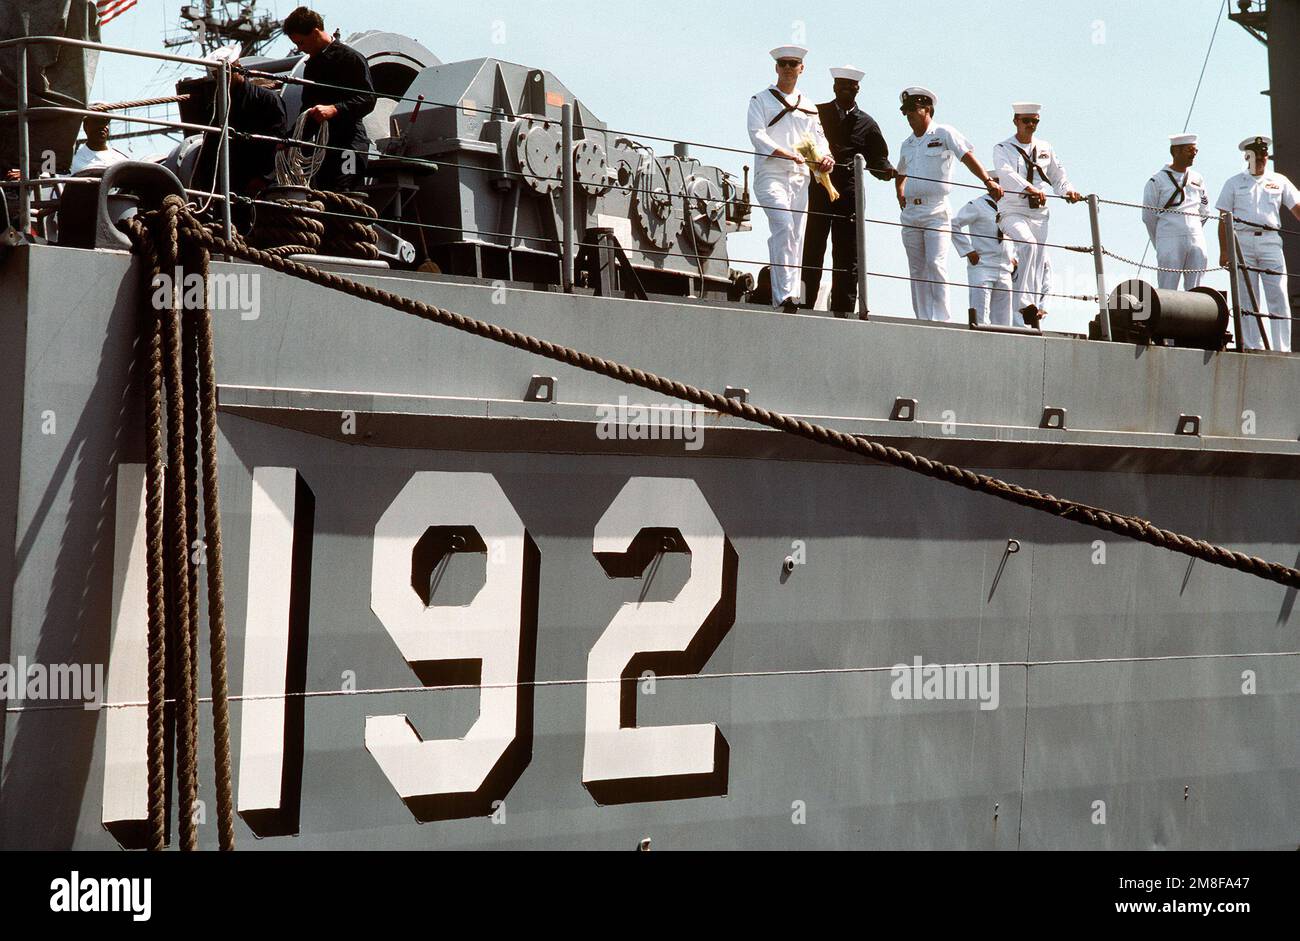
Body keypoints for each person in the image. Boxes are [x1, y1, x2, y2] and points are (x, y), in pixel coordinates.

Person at [894, 86, 1002, 321]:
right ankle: (923, 318)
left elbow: (967, 157)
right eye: (906, 111)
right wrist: (899, 191)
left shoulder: (943, 133)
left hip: (935, 209)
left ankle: (941, 319)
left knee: (935, 263)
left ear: (927, 109)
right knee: (916, 269)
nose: (909, 115)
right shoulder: (908, 143)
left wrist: (987, 180)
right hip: (911, 211)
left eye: (913, 110)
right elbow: (900, 171)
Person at [799, 65, 894, 316]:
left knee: (847, 252)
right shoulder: (818, 113)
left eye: (850, 87)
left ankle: (844, 309)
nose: (845, 91)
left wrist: (888, 172)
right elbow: (801, 142)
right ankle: (805, 303)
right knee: (812, 247)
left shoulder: (867, 124)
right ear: (834, 88)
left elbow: (878, 159)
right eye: (841, 86)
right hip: (819, 188)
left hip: (849, 194)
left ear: (857, 90)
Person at [747, 44, 835, 312]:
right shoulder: (760, 100)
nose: (787, 68)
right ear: (776, 68)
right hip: (771, 173)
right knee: (783, 227)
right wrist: (785, 153)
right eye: (783, 64)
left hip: (799, 177)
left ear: (801, 68)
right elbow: (756, 135)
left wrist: (826, 158)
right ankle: (783, 295)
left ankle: (791, 295)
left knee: (796, 235)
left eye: (792, 64)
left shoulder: (808, 106)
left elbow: (819, 141)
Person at [993, 103, 1083, 328]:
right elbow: (1006, 173)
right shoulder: (1003, 148)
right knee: (1028, 244)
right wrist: (1028, 188)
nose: (1031, 125)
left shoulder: (1045, 148)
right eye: (1026, 121)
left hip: (1039, 213)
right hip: (1013, 209)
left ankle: (1030, 309)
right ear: (1016, 121)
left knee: (1039, 257)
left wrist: (1067, 191)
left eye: (1035, 121)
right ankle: (1024, 303)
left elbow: (1057, 176)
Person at [1216, 135, 1300, 352]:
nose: (1261, 158)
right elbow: (1224, 217)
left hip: (1271, 241)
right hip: (1242, 242)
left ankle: (1282, 347)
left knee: (1278, 295)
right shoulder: (1233, 183)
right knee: (1247, 296)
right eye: (1256, 155)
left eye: (1263, 154)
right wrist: (1225, 251)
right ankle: (1255, 345)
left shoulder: (1279, 180)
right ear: (1247, 157)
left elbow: (1297, 207)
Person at [282, 6, 376, 191]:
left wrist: (335, 109)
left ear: (315, 32)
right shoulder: (312, 67)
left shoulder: (351, 59)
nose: (300, 49)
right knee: (324, 193)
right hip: (325, 148)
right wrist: (290, 141)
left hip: (349, 143)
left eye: (301, 42)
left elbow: (368, 98)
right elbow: (307, 111)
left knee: (344, 193)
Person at [1142, 133, 1210, 290]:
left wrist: (1194, 228)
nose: (1194, 154)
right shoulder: (1157, 181)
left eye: (1195, 150)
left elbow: (1205, 210)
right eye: (1189, 150)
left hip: (1196, 236)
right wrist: (1160, 240)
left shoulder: (1197, 178)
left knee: (1196, 288)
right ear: (1176, 151)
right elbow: (1148, 217)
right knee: (1168, 287)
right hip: (1169, 236)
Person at [950, 175, 1015, 325]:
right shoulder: (977, 205)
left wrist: (1013, 255)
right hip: (983, 265)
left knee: (1004, 320)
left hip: (1005, 268)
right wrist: (968, 250)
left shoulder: (1011, 208)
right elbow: (953, 224)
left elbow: (1017, 233)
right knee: (980, 316)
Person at [69, 109, 129, 173]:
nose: (102, 126)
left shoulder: (121, 160)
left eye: (105, 122)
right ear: (85, 126)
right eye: (96, 121)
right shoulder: (72, 161)